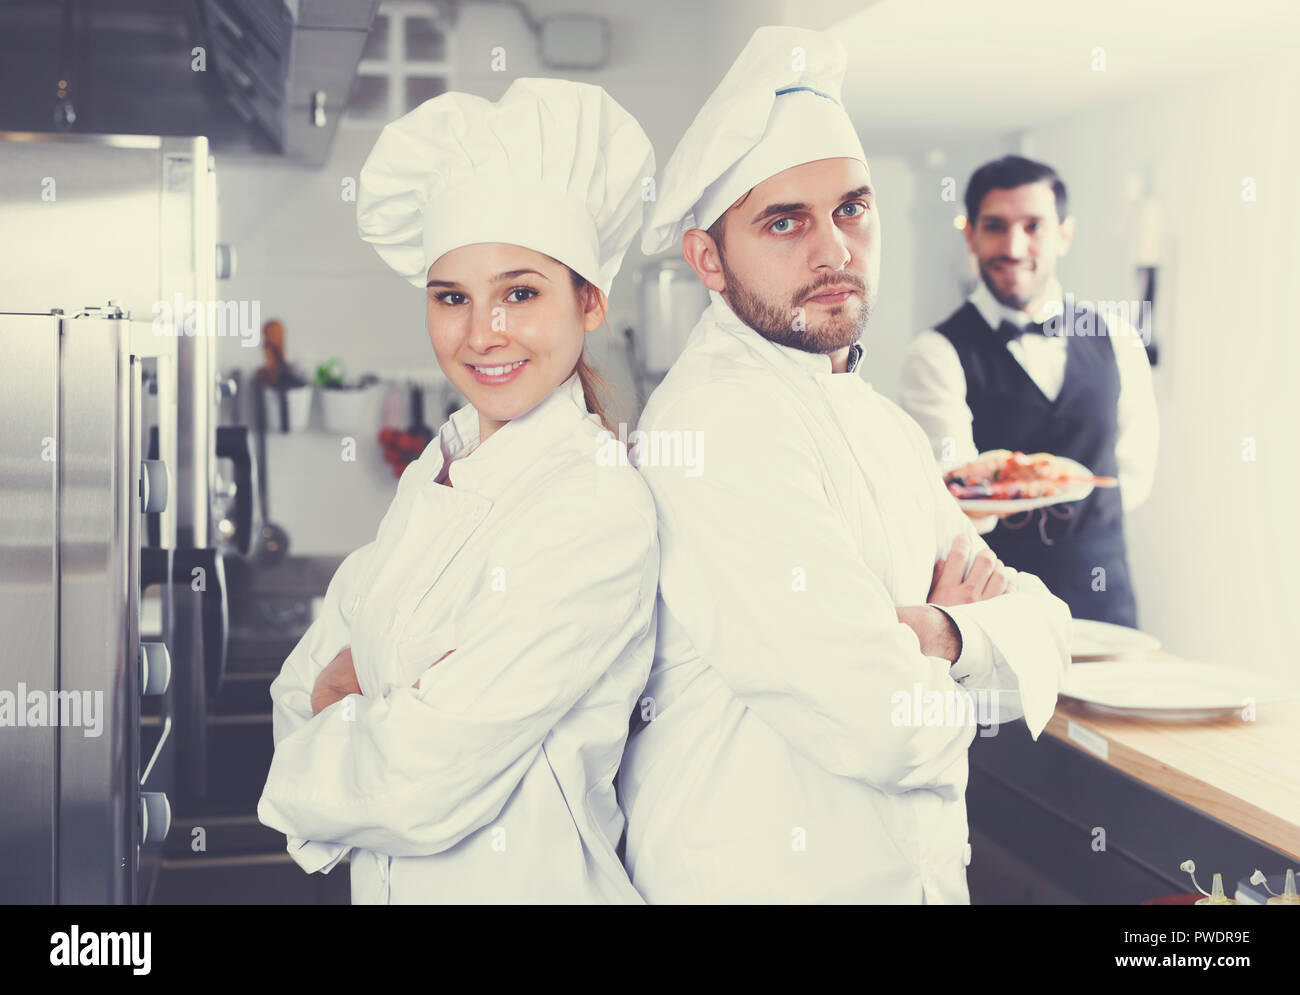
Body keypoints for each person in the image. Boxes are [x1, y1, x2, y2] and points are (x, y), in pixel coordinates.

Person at [616, 26, 1070, 904]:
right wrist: (971, 650)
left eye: (851, 209)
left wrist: (934, 634)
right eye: (784, 221)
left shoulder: (883, 425)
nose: (833, 251)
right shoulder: (720, 420)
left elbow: (1047, 625)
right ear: (707, 258)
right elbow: (884, 726)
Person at [256, 78, 659, 904]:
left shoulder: (594, 505)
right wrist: (371, 700)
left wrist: (358, 689)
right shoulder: (437, 467)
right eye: (452, 298)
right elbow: (297, 691)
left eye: (520, 292)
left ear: (588, 301)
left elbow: (415, 783)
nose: (483, 333)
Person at [900, 156, 1158, 627]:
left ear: (1064, 233)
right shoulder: (935, 352)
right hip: (996, 605)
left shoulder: (1119, 338)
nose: (1014, 247)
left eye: (1033, 226)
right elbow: (950, 488)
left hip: (1103, 595)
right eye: (995, 226)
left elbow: (1135, 471)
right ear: (970, 235)